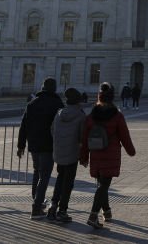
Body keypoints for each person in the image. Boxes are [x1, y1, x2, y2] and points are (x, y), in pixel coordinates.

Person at [79, 82, 136, 229]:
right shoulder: (117, 115)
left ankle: (107, 211)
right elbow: (125, 136)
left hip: (96, 154)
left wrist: (84, 156)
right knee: (103, 186)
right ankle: (93, 215)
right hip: (111, 155)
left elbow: (84, 138)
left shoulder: (92, 115)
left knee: (102, 185)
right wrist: (131, 151)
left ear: (99, 96)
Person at [17, 77, 65, 219]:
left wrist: (21, 145)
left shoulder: (32, 103)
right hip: (49, 145)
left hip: (34, 144)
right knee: (44, 176)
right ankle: (37, 207)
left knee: (37, 172)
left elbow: (23, 125)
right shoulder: (57, 103)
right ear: (54, 88)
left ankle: (37, 201)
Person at [49, 87, 86, 223]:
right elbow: (83, 136)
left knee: (60, 179)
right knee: (68, 183)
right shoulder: (81, 115)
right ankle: (62, 211)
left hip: (59, 152)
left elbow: (52, 130)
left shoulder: (59, 113)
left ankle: (53, 205)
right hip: (72, 153)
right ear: (78, 102)